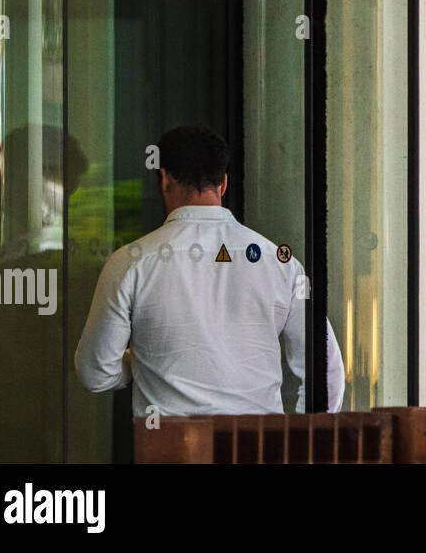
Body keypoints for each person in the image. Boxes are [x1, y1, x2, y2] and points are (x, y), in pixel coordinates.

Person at [75, 125, 345, 417]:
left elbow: (95, 373)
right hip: (260, 448)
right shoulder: (280, 263)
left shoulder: (130, 263)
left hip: (171, 451)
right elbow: (326, 370)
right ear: (223, 183)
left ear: (164, 179)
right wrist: (296, 442)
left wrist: (138, 362)